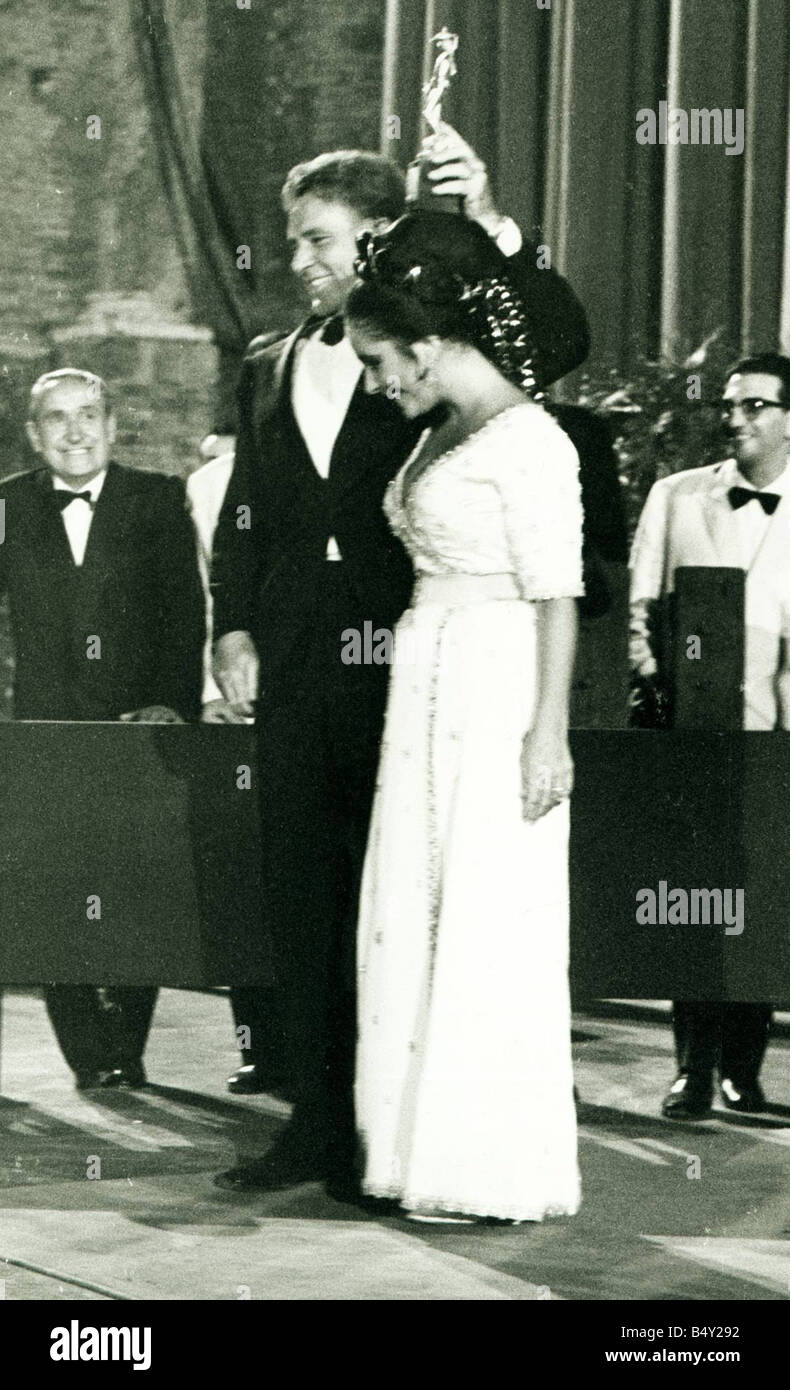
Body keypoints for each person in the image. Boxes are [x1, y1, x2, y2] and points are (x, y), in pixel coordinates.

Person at [211, 130, 589, 1197]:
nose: (298, 261)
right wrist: (229, 624)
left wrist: (494, 221)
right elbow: (245, 512)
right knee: (308, 899)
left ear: (375, 240)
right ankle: (318, 1124)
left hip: (414, 668)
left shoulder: (433, 354)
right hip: (293, 665)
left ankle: (409, 1131)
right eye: (292, 243)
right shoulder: (265, 361)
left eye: (318, 240)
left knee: (413, 901)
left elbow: (551, 338)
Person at [342, 211, 584, 1222]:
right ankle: (411, 1148)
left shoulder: (530, 437)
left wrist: (546, 732)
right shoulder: (440, 428)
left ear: (431, 342)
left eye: (382, 359)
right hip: (426, 677)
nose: (377, 380)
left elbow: (558, 593)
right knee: (418, 903)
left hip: (495, 683)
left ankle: (485, 1160)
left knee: (487, 909)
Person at [0, 368, 204, 1089]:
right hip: (45, 732)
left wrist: (169, 703)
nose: (76, 432)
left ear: (114, 427)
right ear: (34, 435)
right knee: (57, 889)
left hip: (134, 729)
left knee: (132, 886)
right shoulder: (8, 505)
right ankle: (91, 1054)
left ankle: (127, 1041)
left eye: (89, 415)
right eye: (57, 419)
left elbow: (186, 615)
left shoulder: (156, 499)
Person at [629, 352, 790, 1119]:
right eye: (732, 403)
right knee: (697, 904)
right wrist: (659, 683)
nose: (737, 417)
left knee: (757, 910)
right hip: (692, 735)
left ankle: (743, 1072)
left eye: (757, 404)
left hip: (772, 740)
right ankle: (692, 1068)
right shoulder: (676, 497)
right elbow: (639, 613)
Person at [186, 427, 287, 1096]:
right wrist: (207, 692)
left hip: (328, 691)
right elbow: (198, 594)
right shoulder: (209, 485)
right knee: (242, 877)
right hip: (236, 706)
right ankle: (263, 1046)